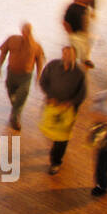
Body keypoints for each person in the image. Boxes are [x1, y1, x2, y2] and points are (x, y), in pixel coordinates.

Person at [38, 46, 88, 174]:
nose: (67, 57)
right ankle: (55, 147)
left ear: (74, 56)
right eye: (65, 54)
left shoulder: (79, 73)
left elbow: (82, 94)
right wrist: (50, 96)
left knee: (62, 138)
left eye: (70, 55)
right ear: (62, 55)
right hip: (52, 107)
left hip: (68, 111)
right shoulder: (53, 66)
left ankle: (56, 162)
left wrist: (69, 103)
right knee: (50, 131)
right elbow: (43, 81)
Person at [0, 23, 46, 131]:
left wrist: (38, 76)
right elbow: (3, 52)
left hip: (25, 76)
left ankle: (15, 118)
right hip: (12, 73)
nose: (25, 33)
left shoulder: (35, 46)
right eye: (24, 30)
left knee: (22, 94)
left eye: (27, 31)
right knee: (11, 93)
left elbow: (39, 61)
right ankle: (16, 108)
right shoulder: (12, 39)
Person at [63, 0, 96, 69]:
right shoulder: (72, 7)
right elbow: (65, 22)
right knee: (76, 48)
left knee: (86, 46)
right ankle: (70, 62)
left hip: (83, 33)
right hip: (75, 33)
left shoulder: (85, 8)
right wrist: (70, 33)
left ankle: (85, 60)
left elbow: (86, 20)